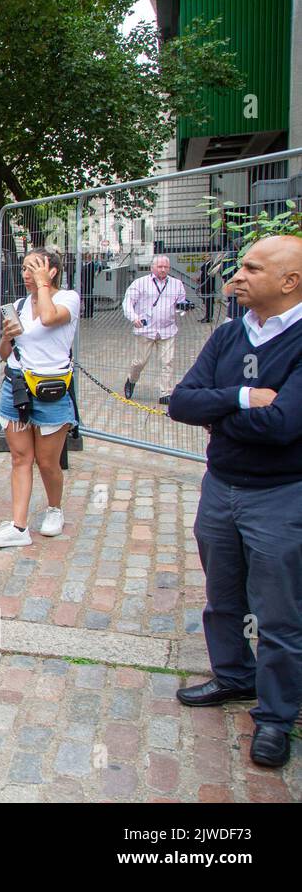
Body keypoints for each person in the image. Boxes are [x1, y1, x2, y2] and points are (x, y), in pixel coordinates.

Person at [168, 234, 302, 769]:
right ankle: (233, 677)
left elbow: (284, 424)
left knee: (278, 614)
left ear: (289, 281)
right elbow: (181, 401)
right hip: (220, 487)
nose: (236, 275)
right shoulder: (228, 334)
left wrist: (217, 411)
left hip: (281, 497)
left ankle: (275, 716)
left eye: (251, 267)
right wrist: (243, 397)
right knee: (222, 596)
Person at [0, 247, 80, 548]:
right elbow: (4, 354)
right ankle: (19, 526)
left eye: (34, 267)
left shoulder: (68, 299)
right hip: (17, 386)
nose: (26, 274)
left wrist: (43, 286)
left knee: (47, 462)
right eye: (24, 268)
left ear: (52, 270)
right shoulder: (20, 304)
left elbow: (50, 319)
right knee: (20, 458)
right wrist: (6, 336)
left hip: (50, 389)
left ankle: (54, 509)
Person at [122, 255, 187, 405]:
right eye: (160, 266)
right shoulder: (140, 283)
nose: (163, 269)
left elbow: (180, 304)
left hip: (167, 330)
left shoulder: (177, 284)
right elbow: (128, 302)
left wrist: (184, 307)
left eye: (166, 267)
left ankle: (165, 392)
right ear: (152, 268)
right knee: (140, 362)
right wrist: (133, 318)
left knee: (168, 361)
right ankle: (131, 380)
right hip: (146, 330)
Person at [197, 254, 217, 323]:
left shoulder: (211, 264)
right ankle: (206, 316)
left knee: (209, 303)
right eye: (204, 256)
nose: (205, 258)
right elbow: (203, 274)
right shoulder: (205, 264)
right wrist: (199, 279)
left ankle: (209, 318)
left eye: (207, 256)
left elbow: (209, 276)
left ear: (210, 257)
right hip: (204, 286)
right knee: (206, 303)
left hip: (209, 286)